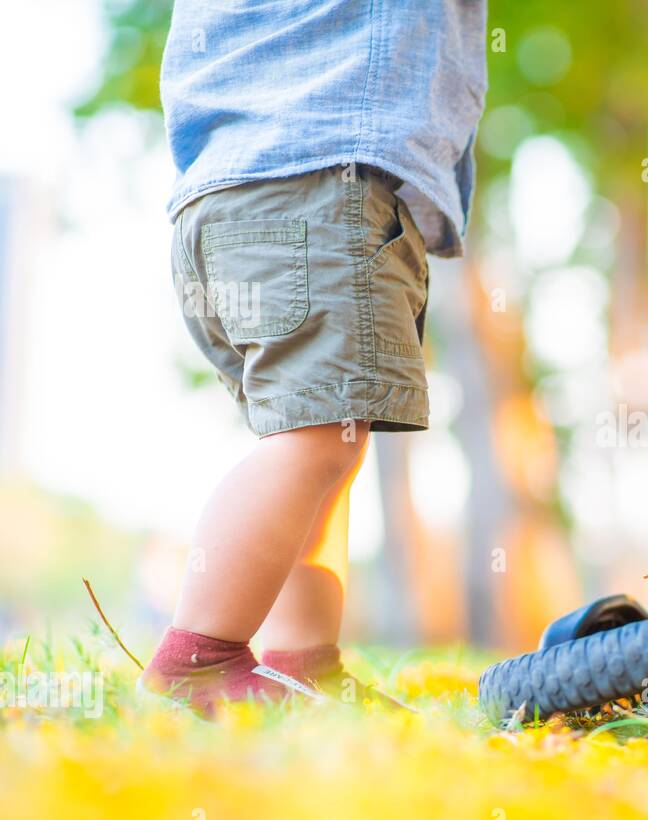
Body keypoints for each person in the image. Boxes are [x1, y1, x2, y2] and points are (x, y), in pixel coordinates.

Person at [141, 0, 487, 715]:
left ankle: (303, 662)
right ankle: (197, 658)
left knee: (327, 436)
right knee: (317, 443)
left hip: (237, 194)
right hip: (316, 181)